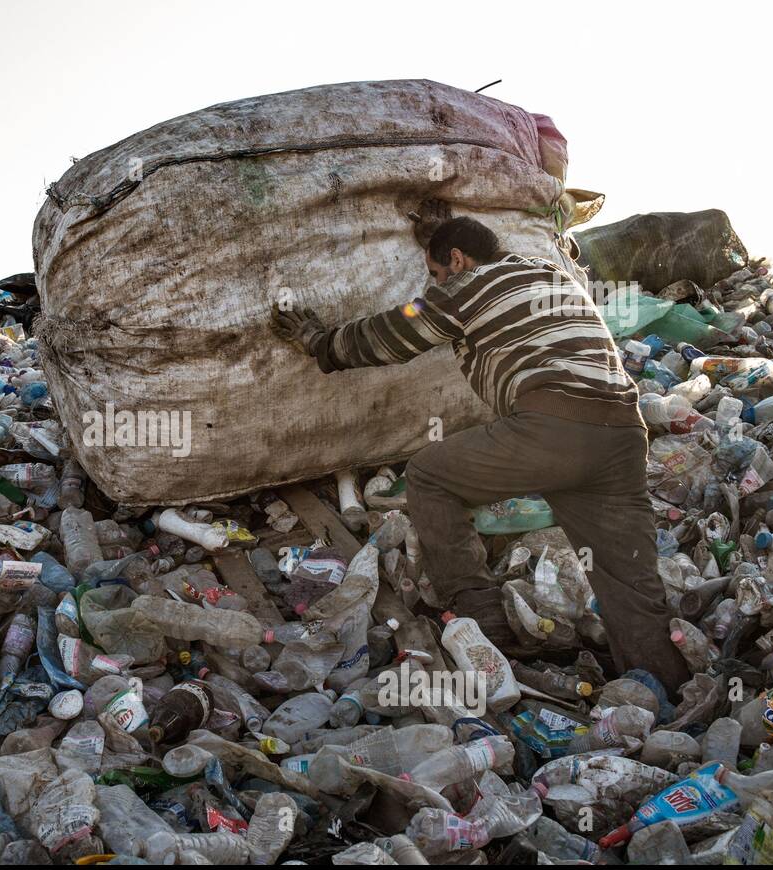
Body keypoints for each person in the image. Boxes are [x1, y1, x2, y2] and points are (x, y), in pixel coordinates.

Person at [269, 209, 691, 698]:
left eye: (435, 274)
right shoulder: (549, 274)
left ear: (457, 259)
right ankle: (665, 696)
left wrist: (319, 341)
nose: (434, 286)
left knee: (429, 475)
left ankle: (481, 614)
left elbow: (395, 333)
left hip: (553, 427)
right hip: (621, 433)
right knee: (627, 579)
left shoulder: (467, 287)